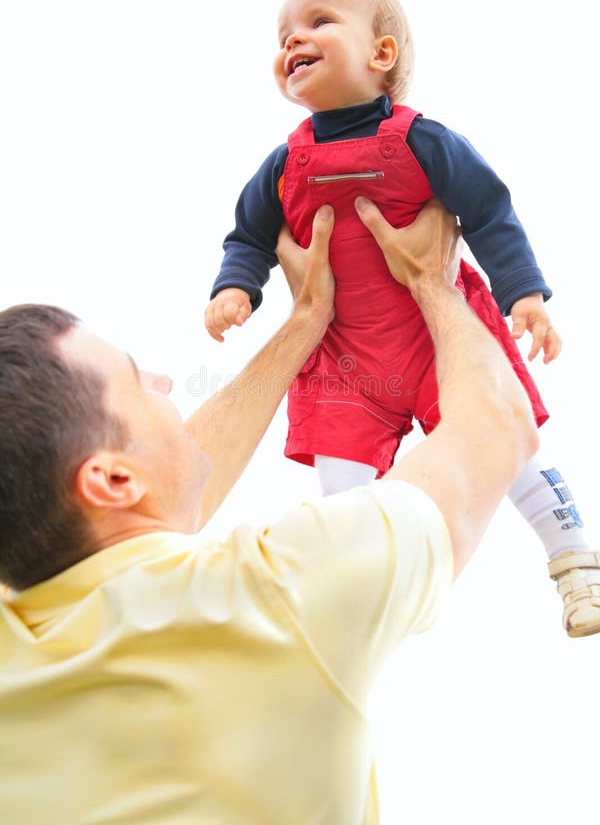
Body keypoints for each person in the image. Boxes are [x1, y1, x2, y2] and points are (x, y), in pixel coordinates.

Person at [0, 200, 540, 824]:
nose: (164, 383)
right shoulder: (275, 593)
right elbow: (498, 424)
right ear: (112, 480)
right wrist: (433, 283)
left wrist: (308, 320)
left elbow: (157, 494)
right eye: (136, 380)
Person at [205, 0, 600, 637]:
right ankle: (360, 604)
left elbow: (489, 212)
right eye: (283, 34)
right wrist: (235, 286)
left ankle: (576, 562)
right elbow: (248, 236)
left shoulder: (426, 141)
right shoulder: (282, 164)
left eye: (318, 22)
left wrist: (524, 293)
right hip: (344, 359)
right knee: (342, 495)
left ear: (381, 53)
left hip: (438, 341)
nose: (292, 40)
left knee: (504, 446)